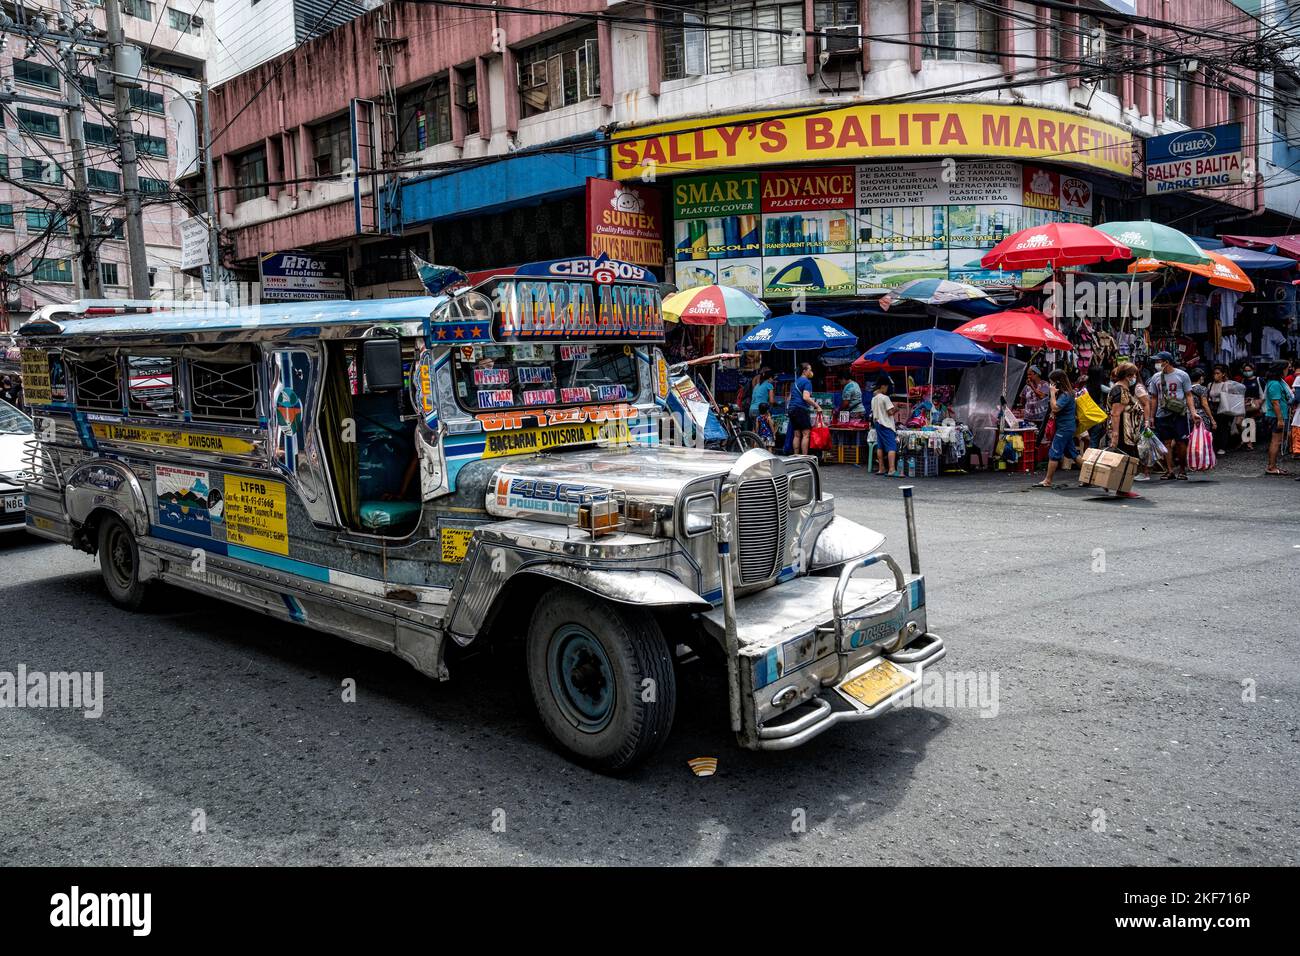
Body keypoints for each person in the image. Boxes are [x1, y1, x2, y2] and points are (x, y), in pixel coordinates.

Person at [1148, 351, 1194, 481]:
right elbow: (1154, 398)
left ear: (1166, 362)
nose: (1157, 363)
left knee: (1181, 442)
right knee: (1166, 442)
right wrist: (1152, 416)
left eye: (1158, 361)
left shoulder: (1182, 375)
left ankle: (1182, 469)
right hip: (1162, 414)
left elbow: (1188, 395)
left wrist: (1193, 412)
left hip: (1179, 413)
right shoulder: (1155, 377)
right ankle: (1169, 470)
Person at [1029, 369, 1077, 489]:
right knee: (1073, 454)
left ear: (1057, 382)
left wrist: (1051, 393)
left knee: (1054, 453)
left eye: (1052, 383)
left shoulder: (1066, 395)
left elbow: (1055, 408)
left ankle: (1048, 480)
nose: (1051, 385)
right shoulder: (1067, 393)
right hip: (1066, 427)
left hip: (1064, 428)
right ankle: (1090, 476)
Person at [1107, 362, 1144, 459]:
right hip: (1123, 433)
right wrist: (1115, 436)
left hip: (1128, 432)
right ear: (1127, 376)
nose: (1135, 377)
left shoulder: (1123, 389)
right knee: (1125, 460)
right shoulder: (1120, 391)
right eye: (1133, 374)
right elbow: (1115, 414)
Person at [786, 361, 824, 456]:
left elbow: (789, 398)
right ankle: (805, 457)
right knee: (806, 434)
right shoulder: (807, 382)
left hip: (792, 409)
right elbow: (806, 397)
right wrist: (817, 406)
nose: (811, 372)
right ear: (804, 371)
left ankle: (796, 455)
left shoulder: (796, 382)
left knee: (797, 434)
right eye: (810, 370)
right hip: (800, 409)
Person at [1263, 363, 1293, 476]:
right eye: (1287, 368)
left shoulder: (1278, 382)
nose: (1288, 370)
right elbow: (1275, 403)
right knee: (1276, 441)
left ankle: (1273, 466)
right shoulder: (1275, 383)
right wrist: (1280, 419)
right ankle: (1271, 467)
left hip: (1279, 415)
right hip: (1276, 416)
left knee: (1276, 441)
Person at [871, 377, 899, 477]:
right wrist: (896, 409)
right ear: (883, 386)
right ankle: (891, 469)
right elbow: (890, 412)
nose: (887, 389)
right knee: (892, 447)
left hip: (878, 424)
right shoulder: (885, 398)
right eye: (887, 387)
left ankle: (881, 468)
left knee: (880, 446)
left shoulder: (874, 399)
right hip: (886, 424)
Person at [1208, 365, 1239, 454]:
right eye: (1214, 373)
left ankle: (1223, 447)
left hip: (1223, 407)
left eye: (1218, 373)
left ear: (1223, 374)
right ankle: (1215, 446)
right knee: (1214, 428)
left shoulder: (1227, 384)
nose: (1215, 375)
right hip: (1212, 407)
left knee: (1223, 427)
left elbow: (1234, 395)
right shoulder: (1210, 384)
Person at [1019, 366, 1050, 436]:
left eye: (1030, 374)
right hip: (1028, 418)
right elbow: (1022, 399)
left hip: (1040, 419)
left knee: (1038, 437)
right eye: (1027, 374)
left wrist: (1032, 386)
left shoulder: (1044, 384)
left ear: (1037, 374)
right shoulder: (1026, 386)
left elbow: (1041, 396)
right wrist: (1026, 409)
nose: (1028, 376)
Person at [1240, 362, 1262, 451]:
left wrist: (1260, 403)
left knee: (1251, 422)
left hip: (1255, 403)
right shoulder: (1243, 380)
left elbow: (1264, 393)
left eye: (1249, 370)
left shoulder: (1258, 380)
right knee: (1242, 422)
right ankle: (1245, 440)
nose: (1247, 372)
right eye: (1245, 370)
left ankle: (1249, 443)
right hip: (1245, 403)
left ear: (1253, 370)